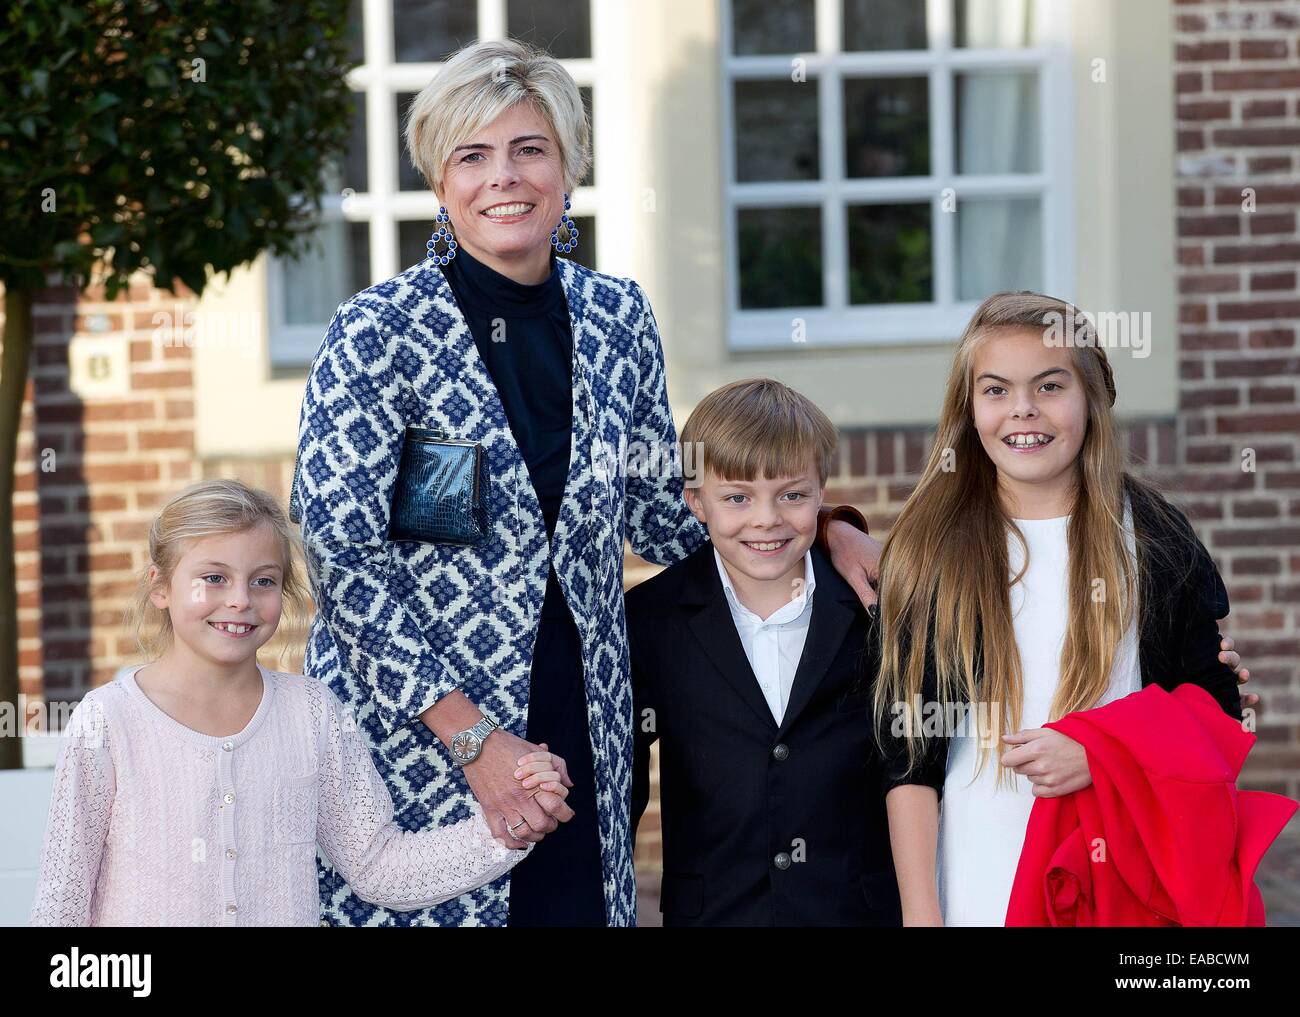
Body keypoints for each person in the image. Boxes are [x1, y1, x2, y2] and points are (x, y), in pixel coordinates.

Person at [293, 38, 882, 927]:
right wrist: (472, 739)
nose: (506, 177)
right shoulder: (375, 332)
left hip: (582, 714)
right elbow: (342, 560)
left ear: (567, 171)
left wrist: (817, 529)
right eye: (474, 155)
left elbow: (664, 509)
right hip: (412, 737)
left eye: (531, 149)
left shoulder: (617, 315)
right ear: (439, 184)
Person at [873, 291, 1256, 926]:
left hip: (1124, 879)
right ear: (968, 410)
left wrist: (1103, 755)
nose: (1022, 409)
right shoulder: (933, 549)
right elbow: (905, 755)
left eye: (1050, 386)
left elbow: (1215, 713)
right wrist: (922, 913)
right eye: (995, 390)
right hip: (977, 877)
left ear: (1092, 398)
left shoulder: (1155, 539)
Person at [29, 480, 566, 926]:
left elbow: (380, 866)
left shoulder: (311, 713)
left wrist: (509, 826)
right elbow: (62, 902)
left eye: (262, 581)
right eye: (213, 578)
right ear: (161, 587)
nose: (239, 599)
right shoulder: (108, 721)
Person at [629, 379, 901, 926]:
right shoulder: (651, 620)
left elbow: (913, 771)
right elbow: (620, 786)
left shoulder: (876, 607)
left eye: (792, 495)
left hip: (859, 912)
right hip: (716, 913)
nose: (766, 519)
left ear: (822, 490)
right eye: (736, 498)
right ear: (695, 502)